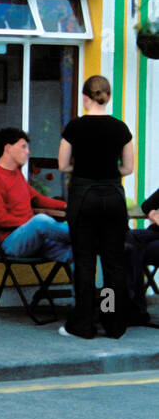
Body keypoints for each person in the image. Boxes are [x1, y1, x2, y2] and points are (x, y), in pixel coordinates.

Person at [59, 75, 137, 339]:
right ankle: (113, 323)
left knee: (85, 263)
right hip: (113, 197)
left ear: (84, 97)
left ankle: (84, 323)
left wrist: (82, 169)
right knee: (113, 264)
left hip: (84, 197)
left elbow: (62, 164)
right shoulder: (121, 128)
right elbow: (128, 168)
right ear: (107, 96)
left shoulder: (74, 127)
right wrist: (107, 170)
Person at [0, 127, 73, 267]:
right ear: (8, 148)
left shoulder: (17, 174)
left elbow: (38, 199)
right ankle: (86, 234)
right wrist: (31, 222)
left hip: (33, 239)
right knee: (40, 221)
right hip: (11, 242)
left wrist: (67, 206)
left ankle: (87, 288)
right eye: (23, 147)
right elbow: (1, 220)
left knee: (79, 251)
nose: (28, 152)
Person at [125, 186, 159, 326]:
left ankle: (133, 308)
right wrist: (153, 214)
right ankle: (129, 307)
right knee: (126, 242)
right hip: (154, 234)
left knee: (131, 248)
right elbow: (147, 205)